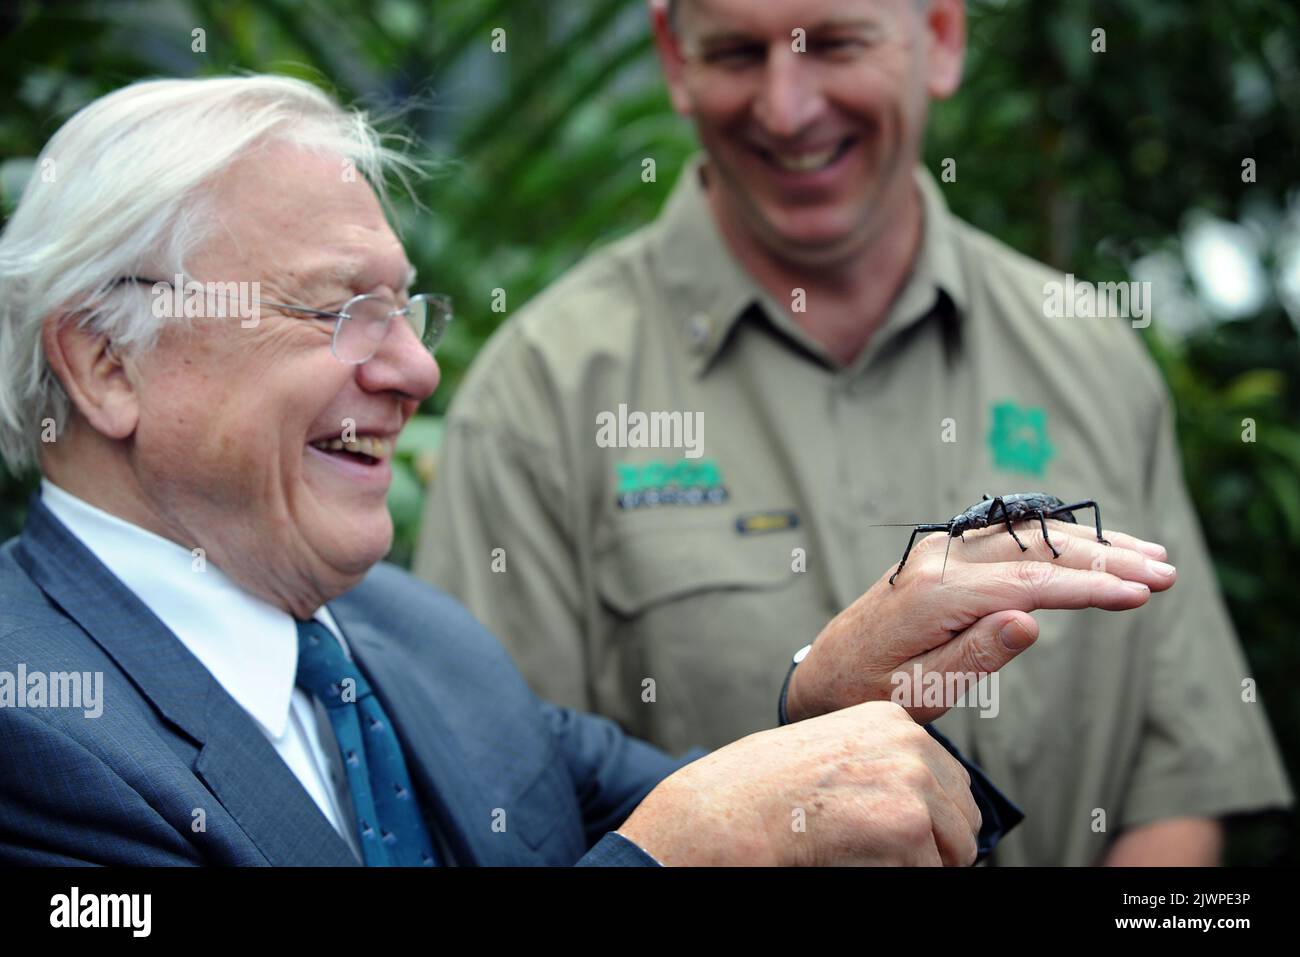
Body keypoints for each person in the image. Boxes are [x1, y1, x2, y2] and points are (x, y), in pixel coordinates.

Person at [0, 73, 1117, 867]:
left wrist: (832, 706)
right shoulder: (33, 734)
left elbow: (734, 816)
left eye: (405, 310)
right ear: (105, 363)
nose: (416, 370)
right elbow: (681, 842)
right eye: (338, 311)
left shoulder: (413, 638)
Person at [415, 0, 1292, 865]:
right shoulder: (539, 396)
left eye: (834, 43)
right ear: (673, 58)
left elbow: (1175, 783)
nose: (787, 107)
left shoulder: (1092, 356)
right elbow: (496, 802)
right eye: (735, 53)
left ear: (941, 38)